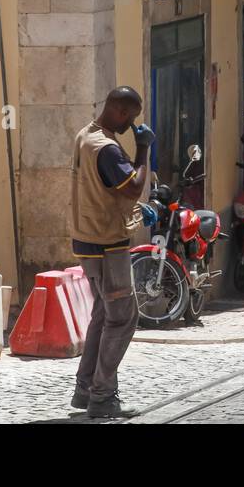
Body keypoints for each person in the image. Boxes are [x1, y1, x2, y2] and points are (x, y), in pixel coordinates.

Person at [70, 86, 153, 419]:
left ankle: (85, 389)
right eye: (131, 118)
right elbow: (132, 188)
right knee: (122, 318)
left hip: (86, 241)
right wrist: (144, 150)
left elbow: (107, 187)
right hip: (108, 245)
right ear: (120, 111)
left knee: (103, 314)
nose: (131, 124)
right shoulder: (106, 149)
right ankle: (101, 396)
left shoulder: (84, 135)